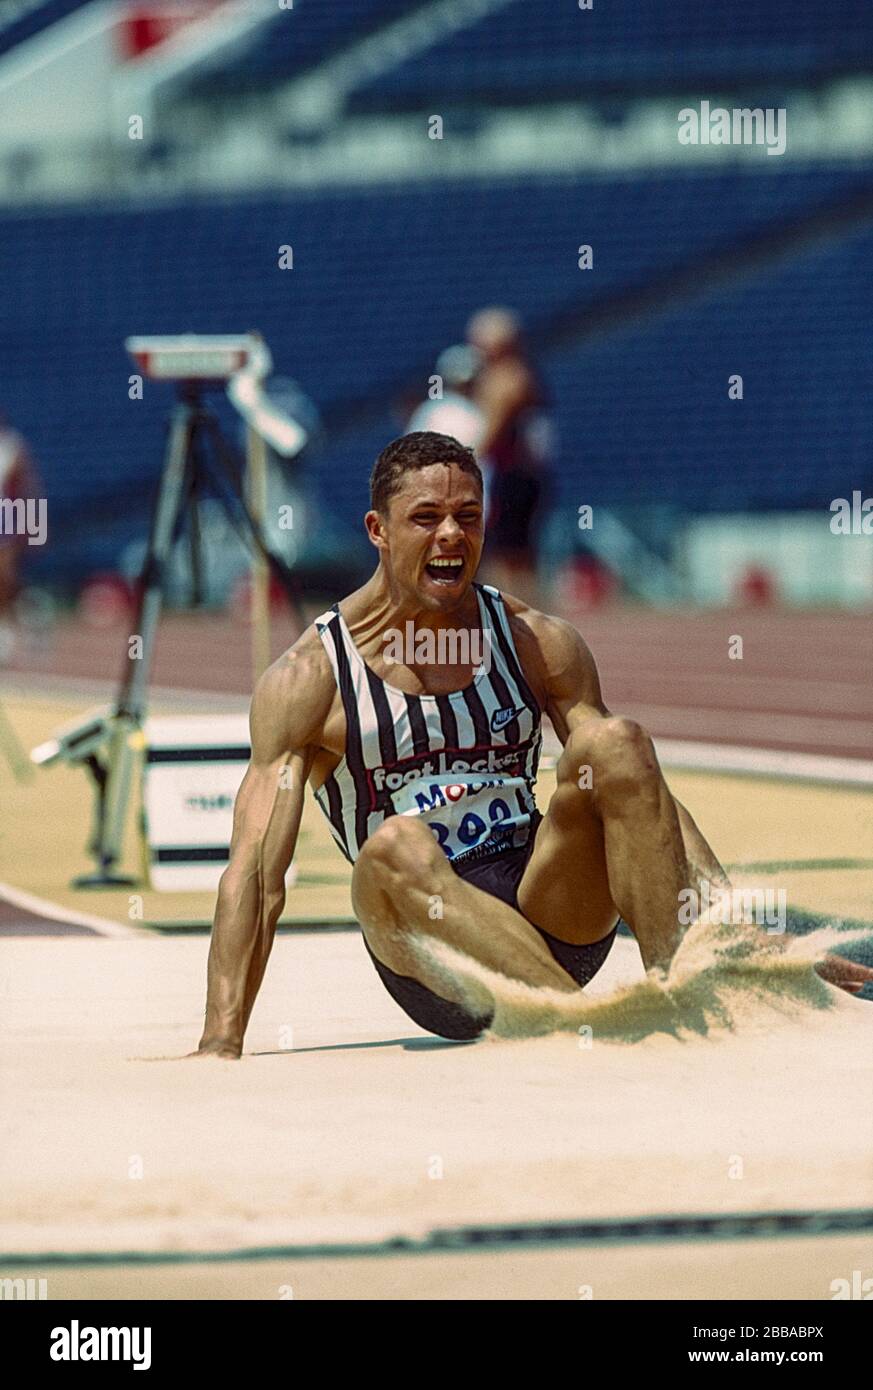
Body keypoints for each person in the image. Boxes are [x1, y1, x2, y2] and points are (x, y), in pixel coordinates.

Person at [194, 431, 871, 1057]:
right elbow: (255, 876)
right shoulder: (310, 679)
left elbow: (638, 792)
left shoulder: (534, 641)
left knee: (615, 740)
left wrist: (735, 933)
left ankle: (687, 991)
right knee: (392, 848)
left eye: (468, 516)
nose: (450, 535)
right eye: (425, 518)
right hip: (437, 961)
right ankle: (576, 1021)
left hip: (553, 910)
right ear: (377, 530)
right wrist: (220, 1042)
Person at [466, 307, 552, 607]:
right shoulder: (511, 374)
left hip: (515, 474)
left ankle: (520, 615)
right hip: (516, 473)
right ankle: (518, 612)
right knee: (511, 551)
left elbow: (494, 429)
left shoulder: (509, 377)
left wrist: (467, 458)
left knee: (510, 553)